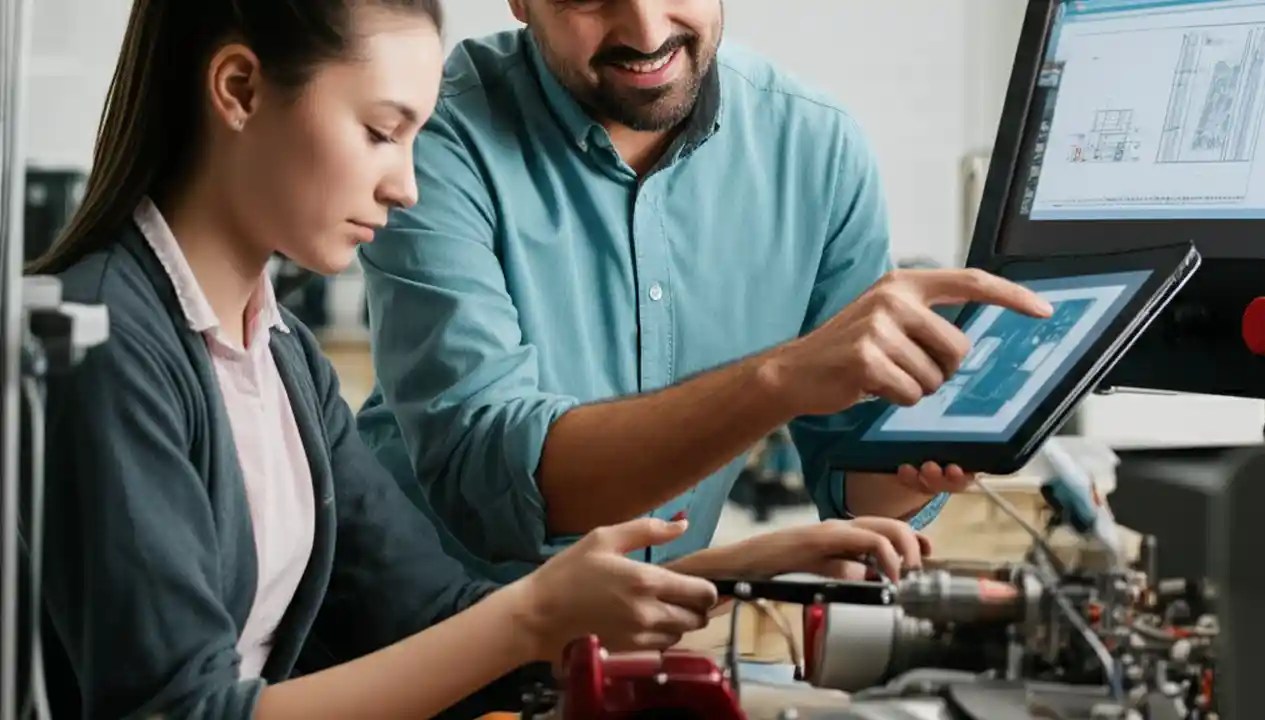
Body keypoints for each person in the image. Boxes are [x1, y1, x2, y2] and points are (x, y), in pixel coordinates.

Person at [26, 2, 740, 718]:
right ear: (240, 88)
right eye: (380, 132)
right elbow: (181, 711)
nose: (406, 186)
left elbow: (431, 613)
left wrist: (729, 577)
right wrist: (533, 618)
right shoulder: (105, 342)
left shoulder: (281, 358)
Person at [355, 0, 1053, 581]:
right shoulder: (433, 134)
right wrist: (782, 379)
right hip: (413, 654)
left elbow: (856, 477)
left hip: (644, 657)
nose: (647, 32)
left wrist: (932, 442)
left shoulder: (816, 147)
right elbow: (495, 480)